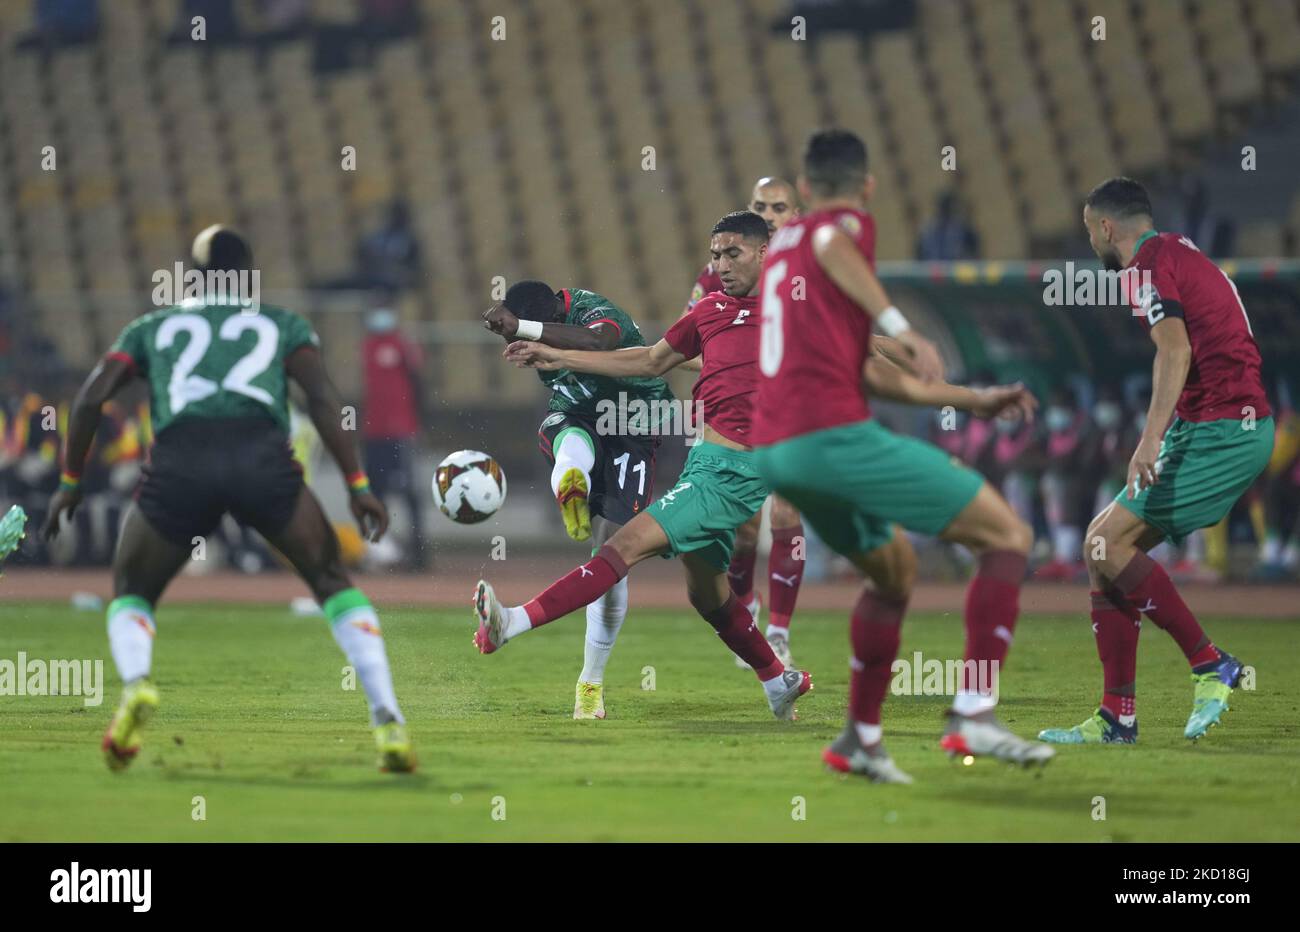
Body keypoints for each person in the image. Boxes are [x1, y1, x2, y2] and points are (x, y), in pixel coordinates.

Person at [41, 226, 415, 773]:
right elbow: (322, 398)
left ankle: (138, 686)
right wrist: (357, 486)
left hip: (180, 464)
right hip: (261, 461)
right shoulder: (282, 325)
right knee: (333, 583)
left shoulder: (151, 327)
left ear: (190, 277)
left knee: (132, 591)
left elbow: (92, 396)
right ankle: (388, 723)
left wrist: (71, 481)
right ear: (249, 274)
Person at [752, 128, 1055, 782]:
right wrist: (900, 325)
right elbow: (837, 243)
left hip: (776, 454)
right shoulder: (841, 229)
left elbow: (863, 370)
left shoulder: (779, 260)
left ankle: (860, 739)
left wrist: (967, 399)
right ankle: (974, 709)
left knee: (892, 574)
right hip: (829, 440)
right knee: (1008, 536)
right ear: (866, 187)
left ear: (802, 188)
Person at [474, 211, 812, 720]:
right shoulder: (711, 311)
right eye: (715, 254)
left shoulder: (792, 310)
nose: (720, 264)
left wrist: (927, 374)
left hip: (737, 471)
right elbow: (649, 360)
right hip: (705, 461)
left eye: (733, 253)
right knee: (709, 596)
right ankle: (777, 680)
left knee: (622, 546)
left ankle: (513, 622)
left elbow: (858, 351)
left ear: (766, 252)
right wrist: (560, 358)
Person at [1040, 178, 1274, 745]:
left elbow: (1175, 348)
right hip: (1213, 425)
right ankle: (1117, 717)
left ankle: (1209, 662)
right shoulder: (1176, 250)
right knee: (1101, 549)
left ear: (1104, 227)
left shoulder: (1143, 267)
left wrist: (1148, 440)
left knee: (1107, 544)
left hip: (1225, 429)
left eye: (1088, 229)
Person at [481, 280, 675, 718]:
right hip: (577, 408)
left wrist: (526, 329)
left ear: (551, 314)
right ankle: (590, 686)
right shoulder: (535, 325)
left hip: (635, 418)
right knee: (566, 428)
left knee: (610, 557)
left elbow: (598, 341)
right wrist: (518, 335)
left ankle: (571, 475)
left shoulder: (595, 311)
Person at [685, 176, 807, 669]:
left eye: (780, 206)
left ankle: (778, 632)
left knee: (786, 515)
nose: (771, 213)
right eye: (761, 205)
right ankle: (747, 608)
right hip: (736, 414)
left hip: (791, 408)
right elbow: (688, 343)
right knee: (744, 533)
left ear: (795, 216)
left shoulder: (807, 272)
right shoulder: (718, 275)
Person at [361, 306, 427, 569]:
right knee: (376, 491)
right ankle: (380, 549)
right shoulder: (367, 346)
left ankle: (419, 550)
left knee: (408, 490)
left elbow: (418, 382)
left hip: (400, 430)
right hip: (373, 431)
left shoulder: (402, 344)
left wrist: (417, 421)